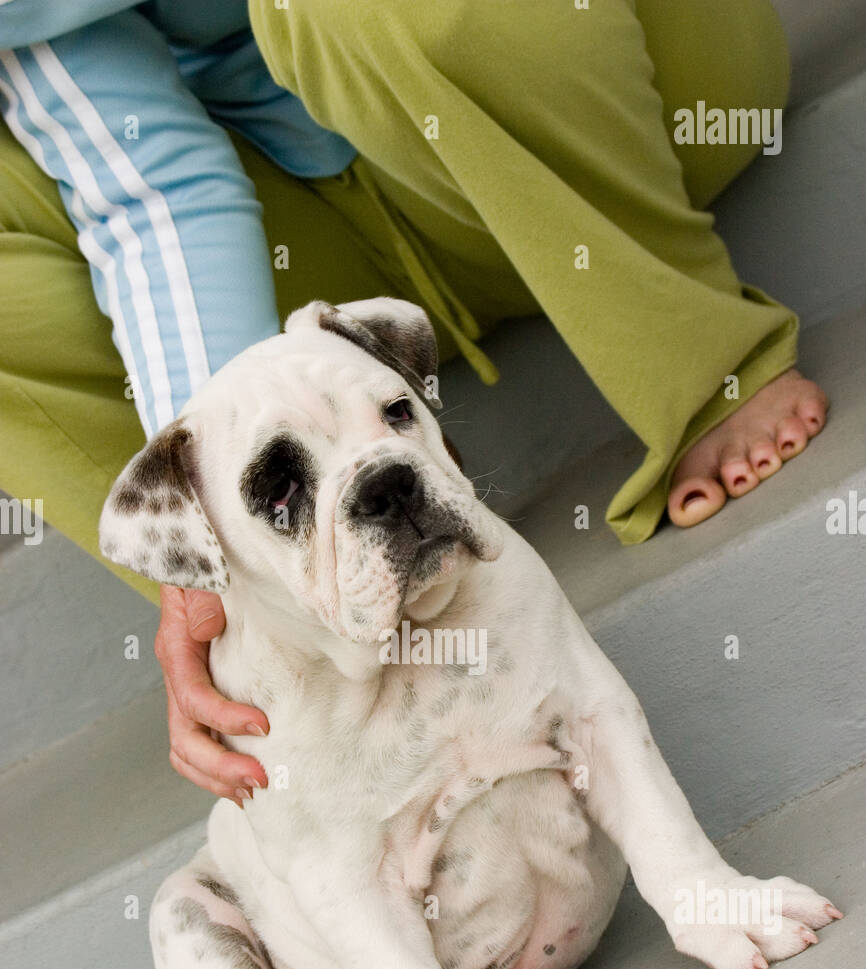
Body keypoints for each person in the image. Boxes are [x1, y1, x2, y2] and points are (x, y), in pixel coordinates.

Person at [0, 0, 828, 806]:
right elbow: (149, 192)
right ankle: (303, 595)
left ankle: (700, 358)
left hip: (624, 96)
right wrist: (205, 538)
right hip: (381, 232)